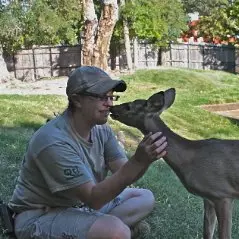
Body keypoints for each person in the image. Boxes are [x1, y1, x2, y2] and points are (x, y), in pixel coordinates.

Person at [8, 66, 168, 239]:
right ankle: (114, 229)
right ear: (77, 100)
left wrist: (145, 159)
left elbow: (123, 171)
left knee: (144, 197)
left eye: (111, 96)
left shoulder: (101, 131)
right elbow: (94, 198)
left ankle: (99, 228)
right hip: (40, 216)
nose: (110, 104)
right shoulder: (53, 141)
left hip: (80, 206)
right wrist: (138, 161)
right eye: (101, 97)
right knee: (117, 232)